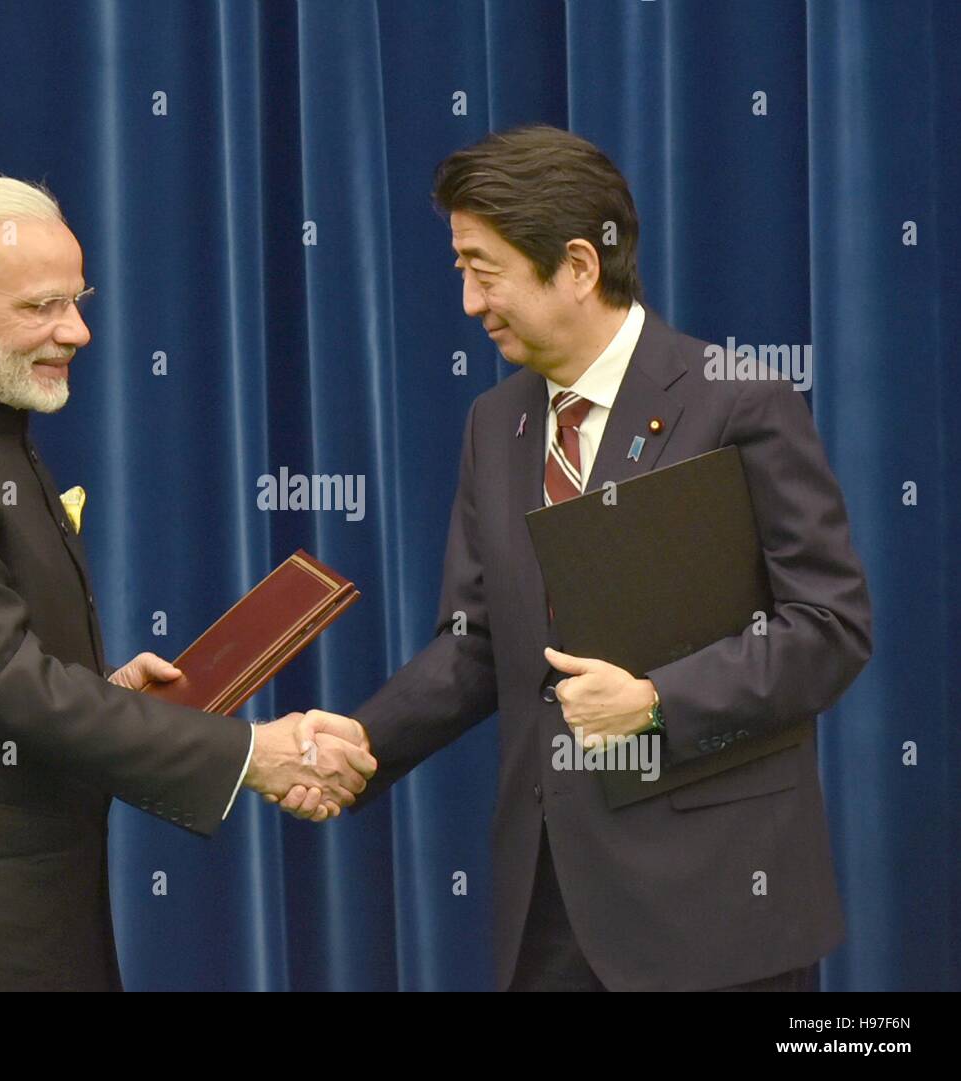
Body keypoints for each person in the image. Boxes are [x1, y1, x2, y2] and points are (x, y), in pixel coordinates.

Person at [285, 126, 872, 991]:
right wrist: (366, 737)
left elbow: (827, 628)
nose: (469, 304)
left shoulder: (738, 401)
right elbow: (477, 642)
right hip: (549, 908)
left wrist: (656, 703)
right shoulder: (497, 423)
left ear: (579, 266)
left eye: (484, 271)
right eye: (460, 271)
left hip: (712, 905)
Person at [0, 176, 374, 991]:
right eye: (42, 307)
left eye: (77, 301)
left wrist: (106, 687)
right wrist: (250, 752)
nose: (77, 330)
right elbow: (8, 685)